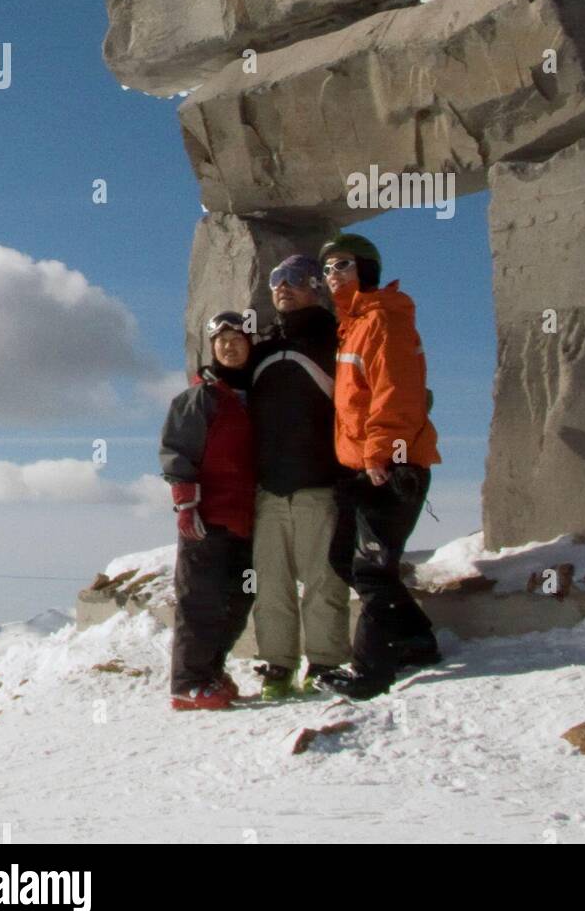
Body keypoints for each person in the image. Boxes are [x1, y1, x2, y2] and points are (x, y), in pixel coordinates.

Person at [316, 233, 441, 700]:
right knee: (343, 559)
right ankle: (416, 641)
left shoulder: (384, 318)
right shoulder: (353, 324)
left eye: (343, 265)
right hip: (362, 468)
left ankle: (370, 672)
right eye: (327, 268)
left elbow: (397, 395)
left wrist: (381, 455)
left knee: (371, 570)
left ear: (366, 268)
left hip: (390, 466)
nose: (332, 275)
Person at [248, 255, 351, 700]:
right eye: (276, 279)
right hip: (269, 490)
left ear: (316, 287)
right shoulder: (262, 349)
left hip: (319, 485)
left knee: (324, 582)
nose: (282, 286)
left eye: (294, 279)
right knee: (270, 585)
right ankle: (278, 665)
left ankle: (325, 663)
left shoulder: (335, 341)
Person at [159, 312, 255, 712]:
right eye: (222, 341)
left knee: (240, 597)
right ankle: (188, 683)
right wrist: (186, 503)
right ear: (211, 348)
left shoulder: (252, 396)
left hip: (245, 520)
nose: (229, 347)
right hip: (207, 518)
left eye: (237, 340)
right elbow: (177, 450)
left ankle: (211, 672)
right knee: (200, 600)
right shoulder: (199, 398)